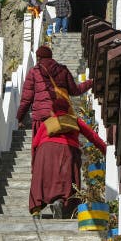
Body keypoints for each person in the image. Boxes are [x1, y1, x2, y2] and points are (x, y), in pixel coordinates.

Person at [16, 46, 94, 214]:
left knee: (40, 160)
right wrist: (91, 82)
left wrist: (20, 118)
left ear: (38, 57)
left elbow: (27, 98)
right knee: (64, 159)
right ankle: (64, 198)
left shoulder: (34, 72)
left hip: (42, 121)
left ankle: (39, 200)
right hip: (61, 119)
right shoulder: (63, 70)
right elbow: (75, 91)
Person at [29, 97, 106, 219]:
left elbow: (34, 144)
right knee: (66, 179)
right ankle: (60, 201)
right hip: (68, 150)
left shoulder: (46, 123)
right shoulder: (75, 120)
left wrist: (34, 165)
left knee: (41, 179)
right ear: (68, 108)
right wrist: (106, 150)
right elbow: (92, 136)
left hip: (45, 151)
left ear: (53, 110)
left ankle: (37, 209)